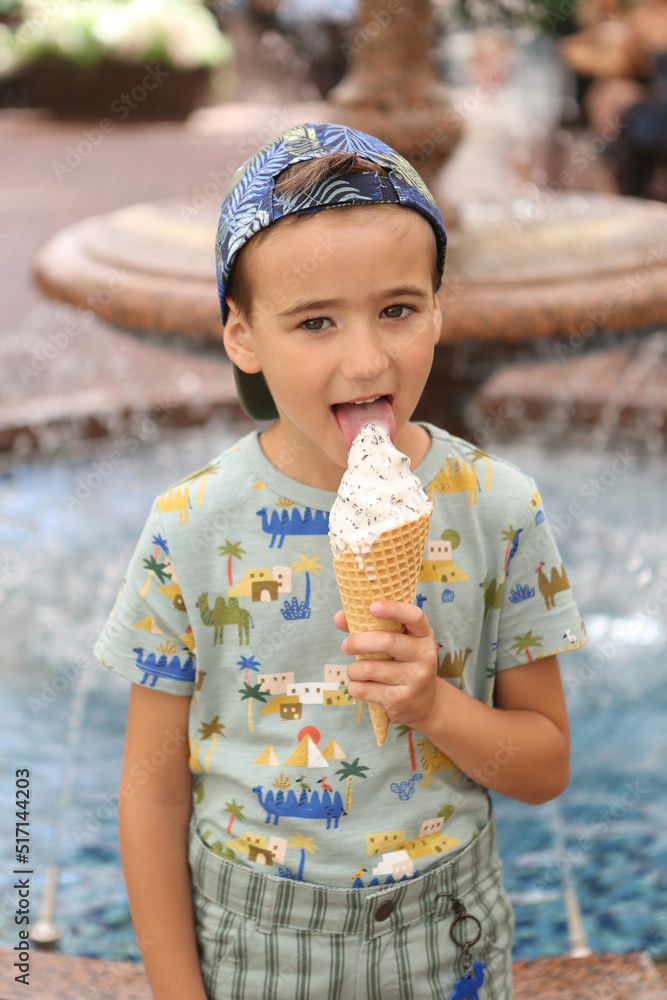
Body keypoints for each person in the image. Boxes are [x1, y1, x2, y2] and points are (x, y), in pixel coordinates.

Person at [94, 122, 588, 1000]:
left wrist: (433, 703)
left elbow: (543, 768)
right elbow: (152, 793)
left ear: (439, 307)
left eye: (398, 309)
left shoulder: (498, 508)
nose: (367, 359)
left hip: (445, 940)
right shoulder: (191, 526)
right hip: (252, 949)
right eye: (313, 322)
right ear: (242, 337)